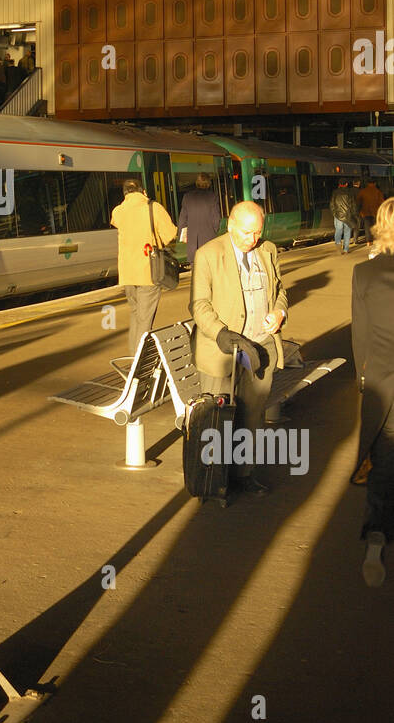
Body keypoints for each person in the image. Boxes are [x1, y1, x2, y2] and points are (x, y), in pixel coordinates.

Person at [189, 200, 288, 495]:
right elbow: (198, 304)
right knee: (217, 420)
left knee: (252, 416)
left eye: (257, 233)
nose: (252, 239)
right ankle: (215, 481)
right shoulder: (208, 254)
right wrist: (221, 333)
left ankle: (244, 474)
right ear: (230, 225)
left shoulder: (267, 251)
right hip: (223, 354)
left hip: (260, 349)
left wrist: (280, 312)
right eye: (246, 233)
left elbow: (281, 290)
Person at [351, 198, 394, 585]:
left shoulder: (363, 274)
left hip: (382, 387)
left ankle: (376, 541)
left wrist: (364, 384)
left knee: (382, 467)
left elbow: (360, 340)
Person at [111, 177, 177, 359]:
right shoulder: (152, 207)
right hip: (148, 271)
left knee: (136, 314)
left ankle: (134, 355)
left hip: (127, 274)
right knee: (145, 319)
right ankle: (140, 361)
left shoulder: (118, 211)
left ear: (125, 193)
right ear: (143, 191)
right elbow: (171, 233)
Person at [176, 173, 222, 267]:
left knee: (196, 274)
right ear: (208, 183)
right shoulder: (213, 197)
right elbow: (216, 219)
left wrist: (183, 235)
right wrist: (213, 231)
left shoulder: (187, 197)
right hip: (209, 241)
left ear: (197, 183)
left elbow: (182, 220)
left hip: (193, 243)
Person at [331, 180, 359, 254]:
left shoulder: (335, 192)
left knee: (338, 230)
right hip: (348, 215)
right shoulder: (350, 193)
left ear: (339, 184)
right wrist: (354, 214)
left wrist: (335, 213)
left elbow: (332, 204)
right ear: (346, 184)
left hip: (338, 215)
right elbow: (353, 205)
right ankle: (346, 249)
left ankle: (338, 243)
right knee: (347, 231)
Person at [358, 178, 383, 246]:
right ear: (374, 183)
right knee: (375, 226)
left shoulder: (362, 191)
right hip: (375, 212)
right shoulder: (378, 191)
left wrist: (360, 211)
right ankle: (375, 239)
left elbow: (359, 202)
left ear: (367, 183)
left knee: (367, 227)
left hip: (365, 212)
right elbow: (382, 202)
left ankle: (369, 241)